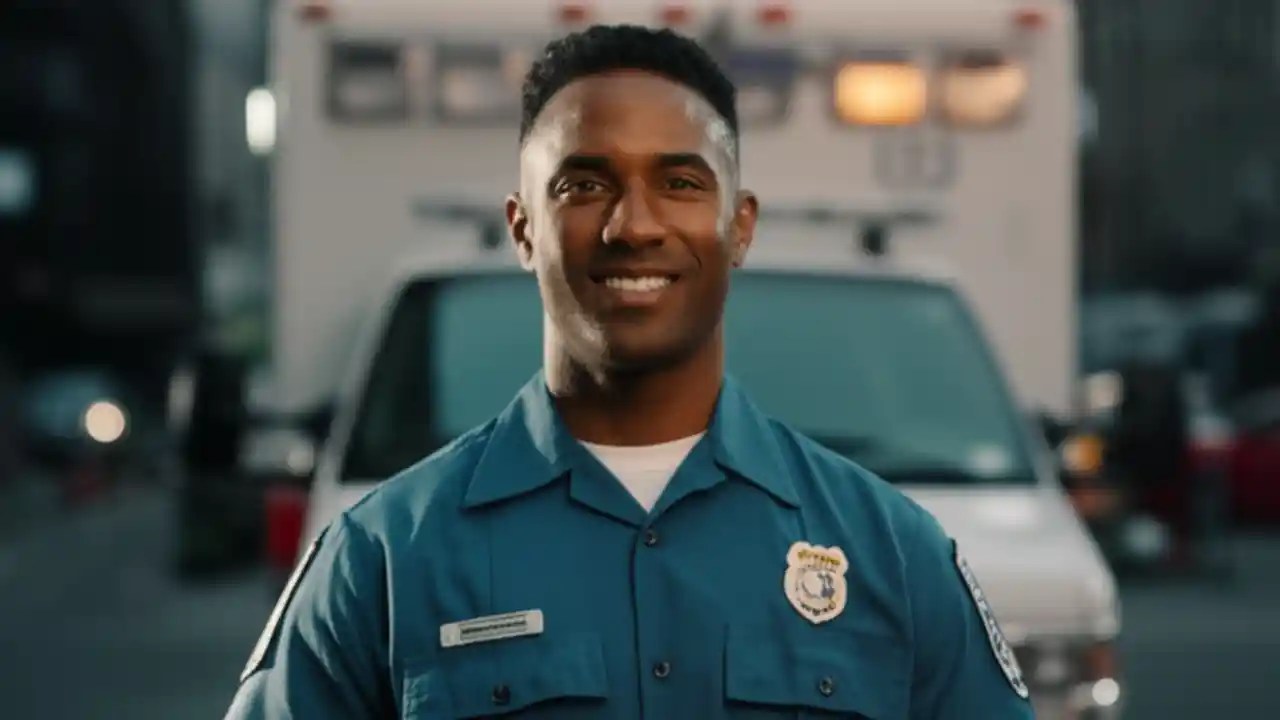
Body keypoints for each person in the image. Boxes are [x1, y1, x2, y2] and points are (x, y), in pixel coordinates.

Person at [225, 25, 1034, 719]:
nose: (633, 225)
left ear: (739, 226)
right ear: (522, 228)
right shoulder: (382, 560)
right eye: (585, 184)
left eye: (680, 183)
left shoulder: (893, 554)